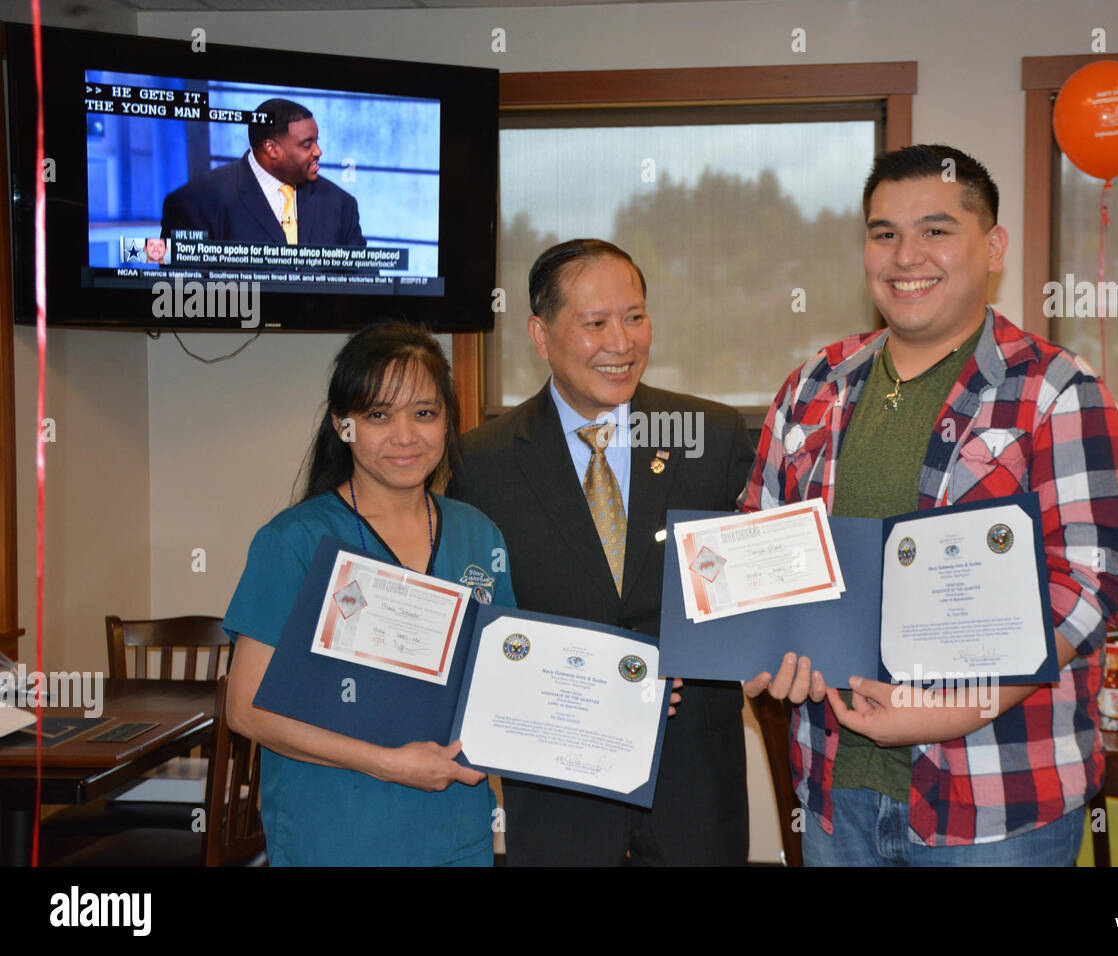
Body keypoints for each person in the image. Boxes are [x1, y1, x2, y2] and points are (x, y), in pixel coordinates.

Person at [742, 145, 1118, 865]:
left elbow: (1090, 584)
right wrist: (764, 644)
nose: (906, 256)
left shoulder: (1057, 391)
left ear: (992, 247)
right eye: (883, 233)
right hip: (837, 793)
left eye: (935, 230)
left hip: (997, 804)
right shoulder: (813, 387)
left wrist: (946, 711)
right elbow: (761, 547)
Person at [450, 239, 754, 865]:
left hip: (693, 780)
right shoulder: (483, 463)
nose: (621, 342)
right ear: (540, 334)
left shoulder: (711, 437)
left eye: (635, 316)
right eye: (594, 323)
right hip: (557, 789)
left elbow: (753, 591)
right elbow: (472, 625)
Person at [223, 323, 513, 866]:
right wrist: (386, 763)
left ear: (448, 421)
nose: (405, 436)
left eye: (424, 413)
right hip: (334, 836)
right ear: (343, 425)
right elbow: (246, 710)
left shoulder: (480, 535)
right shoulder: (294, 542)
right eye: (379, 415)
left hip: (455, 836)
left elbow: (504, 681)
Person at [160, 97, 363, 247]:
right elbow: (184, 291)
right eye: (307, 144)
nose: (318, 152)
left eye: (316, 142)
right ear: (271, 148)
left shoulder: (341, 204)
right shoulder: (195, 202)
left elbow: (363, 287)